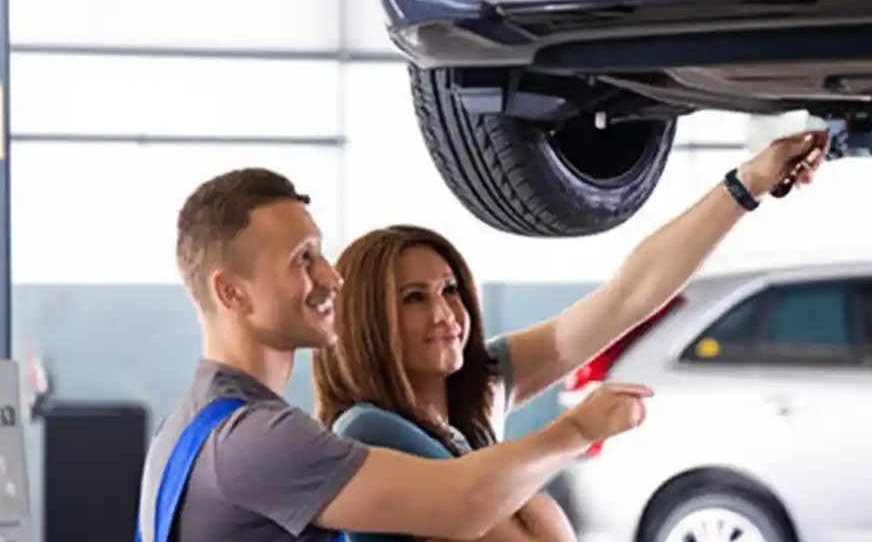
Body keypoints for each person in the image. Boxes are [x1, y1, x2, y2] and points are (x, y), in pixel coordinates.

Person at [312, 131, 828, 542]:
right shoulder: (367, 428)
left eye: (450, 290)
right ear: (367, 320)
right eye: (414, 298)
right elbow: (488, 518)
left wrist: (748, 183)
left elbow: (629, 295)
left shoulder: (479, 392)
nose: (446, 312)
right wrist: (576, 431)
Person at [134, 168, 654, 542]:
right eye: (303, 260)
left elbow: (626, 298)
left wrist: (738, 192)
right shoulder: (255, 440)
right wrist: (579, 430)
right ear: (232, 294)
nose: (331, 278)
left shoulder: (191, 428)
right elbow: (463, 503)